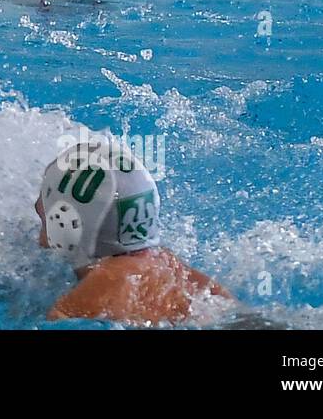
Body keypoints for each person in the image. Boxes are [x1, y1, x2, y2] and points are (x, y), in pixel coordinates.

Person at [35, 138, 232, 324]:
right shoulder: (172, 267)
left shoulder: (94, 293)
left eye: (44, 199)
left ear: (65, 221)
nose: (36, 206)